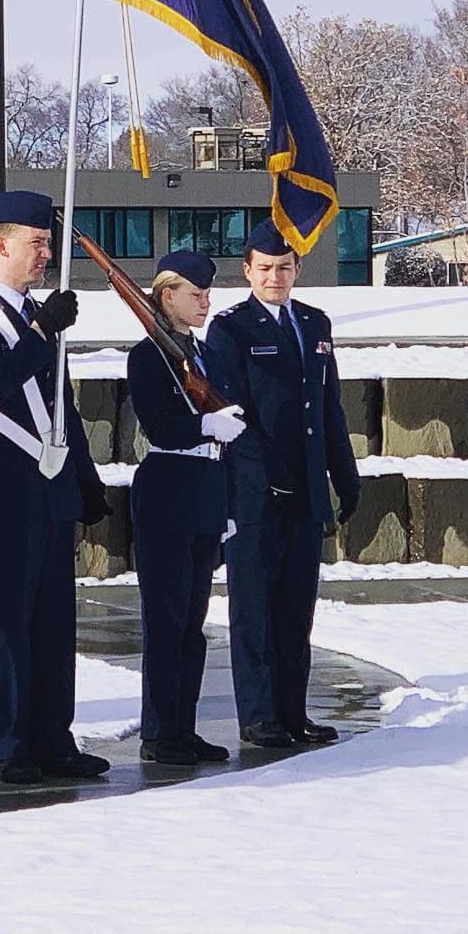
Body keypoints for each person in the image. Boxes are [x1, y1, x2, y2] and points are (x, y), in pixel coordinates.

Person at [0, 190, 111, 785]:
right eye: (36, 244)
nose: (45, 254)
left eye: (47, 243)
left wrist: (85, 482)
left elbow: (59, 409)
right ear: (1, 245)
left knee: (54, 619)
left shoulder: (43, 318)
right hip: (6, 483)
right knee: (8, 615)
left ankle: (51, 738)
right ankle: (8, 744)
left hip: (52, 481)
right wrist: (40, 331)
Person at [205, 219, 361, 749]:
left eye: (285, 267)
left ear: (298, 270)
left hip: (306, 491)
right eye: (265, 268)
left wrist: (345, 474)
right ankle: (259, 716)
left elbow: (329, 409)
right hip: (255, 492)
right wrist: (260, 476)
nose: (276, 277)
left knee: (296, 610)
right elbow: (233, 413)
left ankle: (294, 712)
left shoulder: (314, 324)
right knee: (254, 610)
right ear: (247, 270)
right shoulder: (231, 329)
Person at [126, 250, 243, 768]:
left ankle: (184, 726)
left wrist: (227, 501)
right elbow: (159, 425)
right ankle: (159, 732)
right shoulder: (147, 355)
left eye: (207, 294)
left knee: (192, 625)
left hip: (204, 487)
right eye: (194, 294)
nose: (204, 303)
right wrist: (205, 427)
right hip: (168, 486)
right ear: (166, 294)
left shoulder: (201, 353)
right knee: (166, 621)